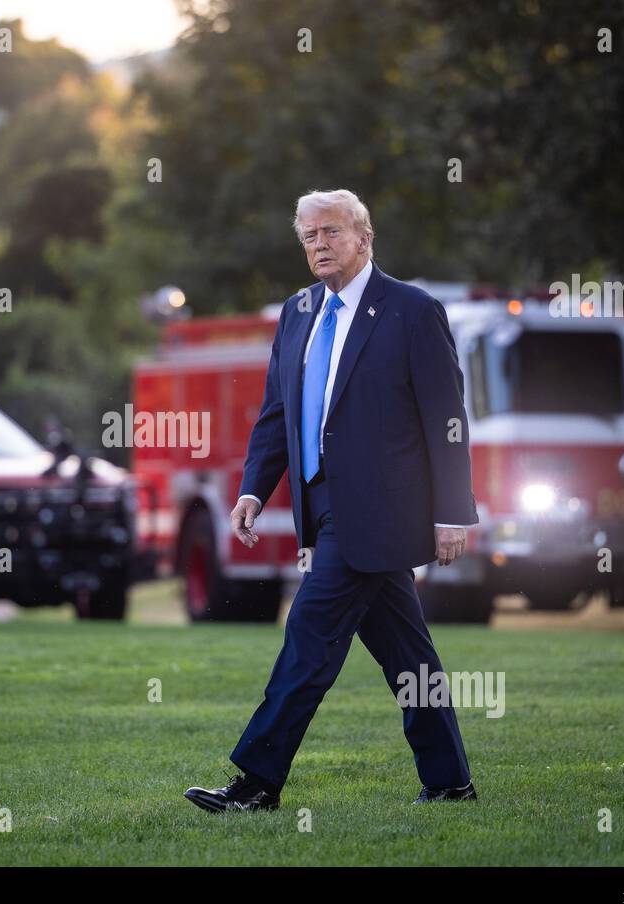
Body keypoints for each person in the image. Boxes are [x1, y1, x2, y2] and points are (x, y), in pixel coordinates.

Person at [184, 188, 480, 811]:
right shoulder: (297, 313)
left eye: (331, 233)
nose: (319, 245)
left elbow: (446, 419)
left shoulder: (412, 310)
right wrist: (252, 490)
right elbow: (276, 413)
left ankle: (256, 785)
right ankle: (450, 781)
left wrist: (454, 511)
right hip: (322, 514)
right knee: (409, 658)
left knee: (308, 640)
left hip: (381, 512)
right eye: (309, 237)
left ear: (363, 237)